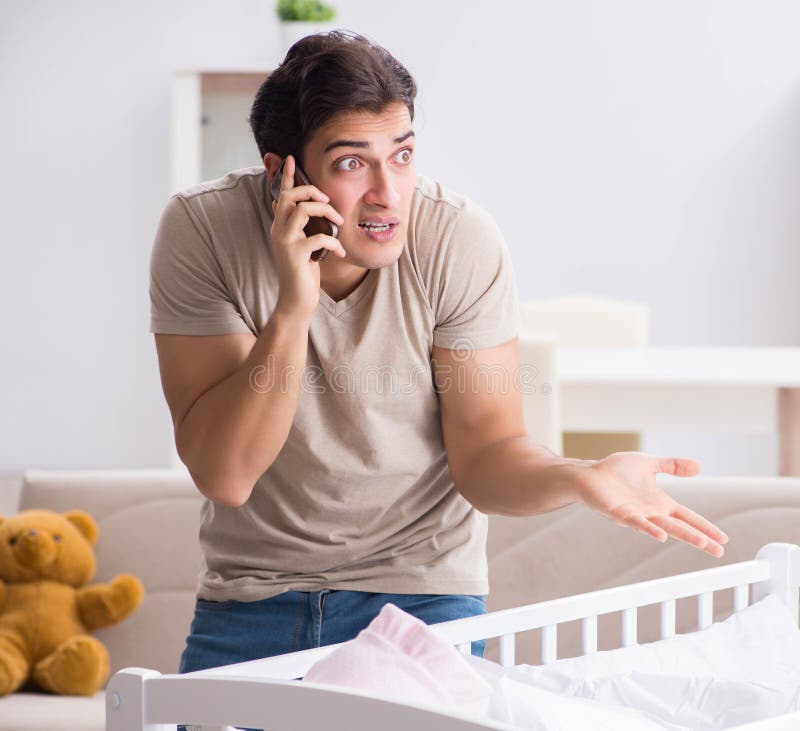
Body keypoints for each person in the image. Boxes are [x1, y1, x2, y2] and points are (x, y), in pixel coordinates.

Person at [149, 29, 727, 694]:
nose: (388, 193)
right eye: (352, 163)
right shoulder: (204, 231)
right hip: (252, 598)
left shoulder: (458, 239)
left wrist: (579, 475)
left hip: (419, 596)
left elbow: (488, 453)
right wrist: (292, 309)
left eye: (401, 156)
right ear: (285, 173)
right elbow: (226, 474)